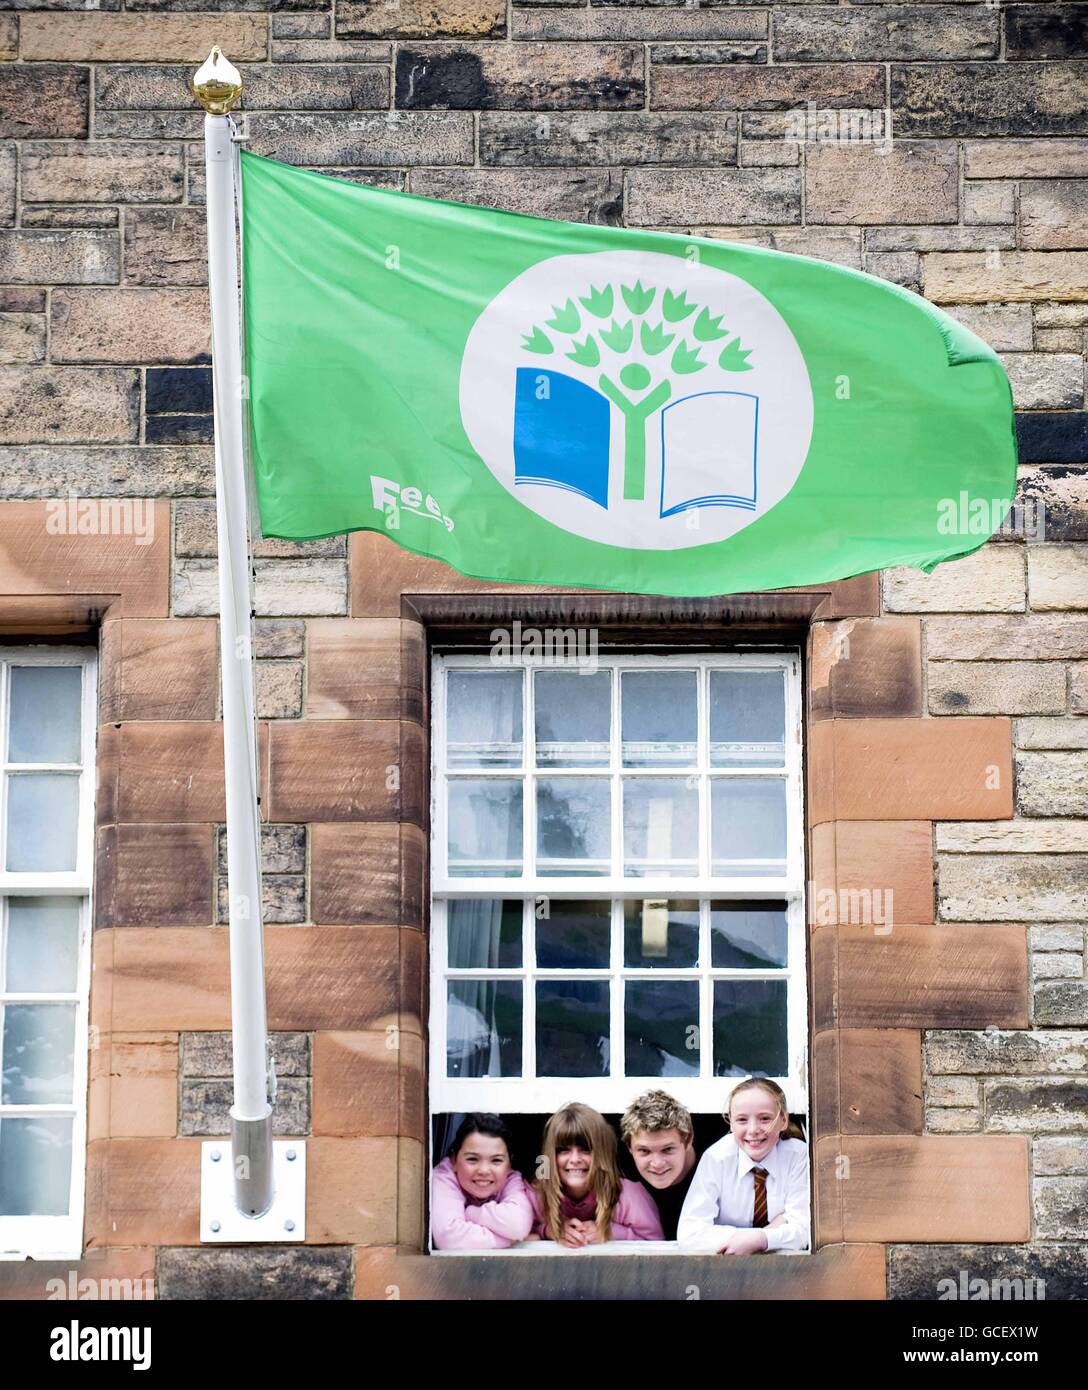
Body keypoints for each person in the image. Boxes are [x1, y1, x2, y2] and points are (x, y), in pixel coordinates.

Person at [677, 1077, 809, 1254]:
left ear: (783, 1121)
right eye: (742, 1120)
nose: (753, 1129)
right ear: (730, 1122)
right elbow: (690, 1234)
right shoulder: (717, 1158)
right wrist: (762, 1236)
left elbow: (805, 1230)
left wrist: (761, 1239)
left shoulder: (799, 1156)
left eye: (765, 1118)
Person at [527, 1102, 664, 1245]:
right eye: (563, 1150)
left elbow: (658, 1247)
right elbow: (516, 1238)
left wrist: (611, 1232)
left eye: (586, 1149)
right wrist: (549, 1231)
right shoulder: (537, 1195)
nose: (574, 1159)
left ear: (602, 1154)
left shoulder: (628, 1195)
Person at [431, 1112, 534, 1250]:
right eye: (472, 1159)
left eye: (496, 1160)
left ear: (509, 1164)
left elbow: (518, 1224)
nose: (484, 1170)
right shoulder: (444, 1175)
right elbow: (449, 1239)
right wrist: (511, 1240)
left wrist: (470, 1213)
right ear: (454, 1160)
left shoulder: (510, 1178)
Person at [620, 1089, 699, 1240]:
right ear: (629, 1147)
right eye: (644, 1151)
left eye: (667, 1149)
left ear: (688, 1141)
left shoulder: (716, 1163)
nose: (657, 1164)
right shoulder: (620, 1171)